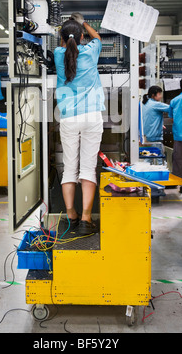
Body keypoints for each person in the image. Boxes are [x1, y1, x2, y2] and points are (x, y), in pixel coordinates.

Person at [54, 13, 105, 236]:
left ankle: (71, 215)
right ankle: (86, 219)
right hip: (92, 116)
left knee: (69, 169)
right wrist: (83, 22)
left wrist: (66, 31)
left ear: (62, 40)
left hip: (68, 118)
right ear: (82, 36)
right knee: (87, 169)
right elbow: (99, 38)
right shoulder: (91, 51)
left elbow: (65, 42)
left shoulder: (58, 54)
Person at [168, 76, 182, 193]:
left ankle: (181, 185)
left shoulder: (174, 100)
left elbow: (171, 118)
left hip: (179, 136)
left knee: (179, 162)